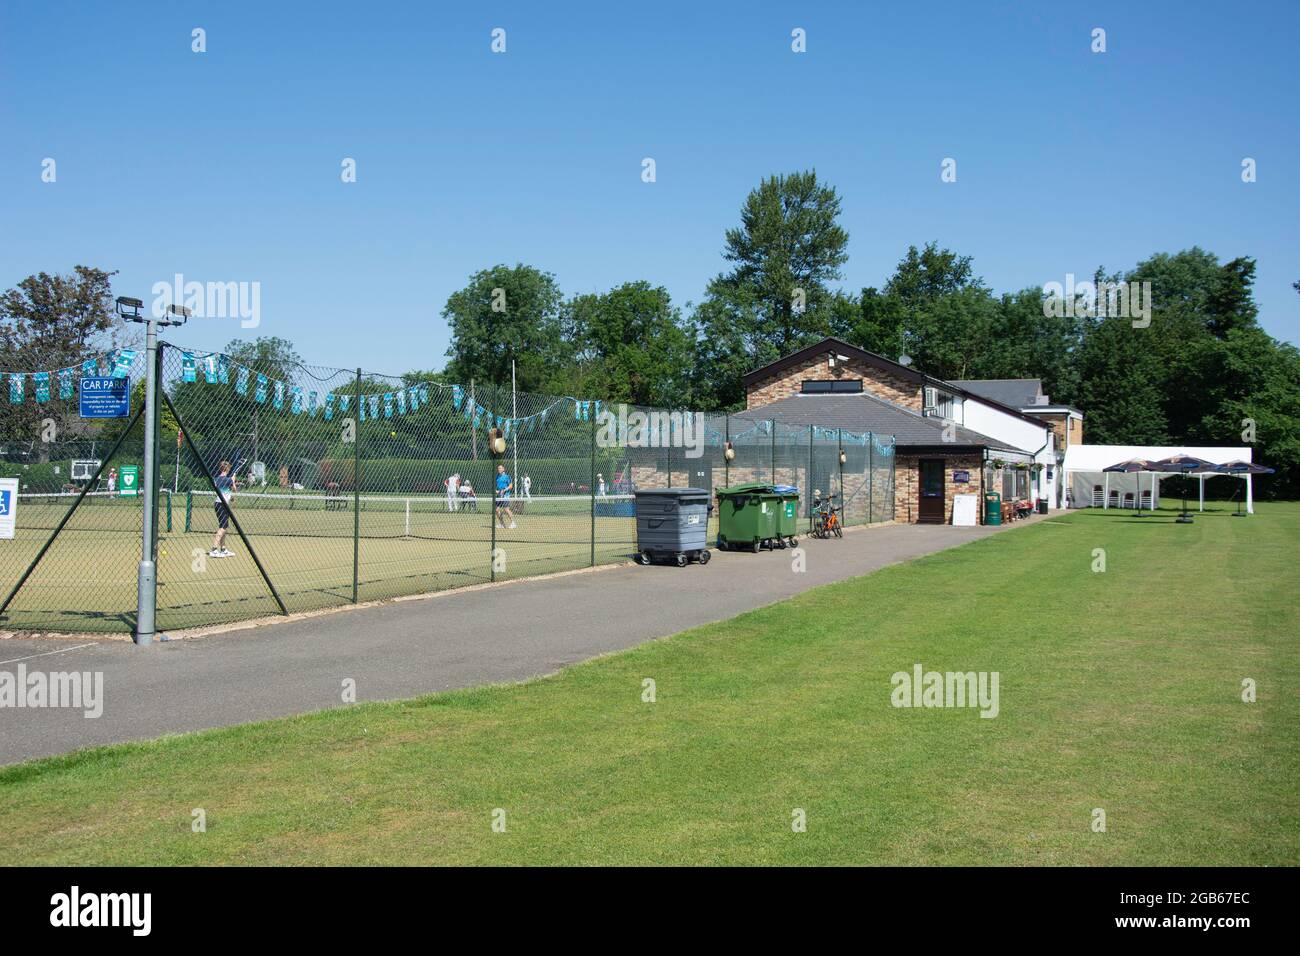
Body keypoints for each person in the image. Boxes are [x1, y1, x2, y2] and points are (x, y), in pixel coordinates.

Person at [209, 460, 237, 558]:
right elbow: (234, 489)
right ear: (227, 469)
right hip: (222, 505)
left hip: (218, 504)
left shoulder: (216, 479)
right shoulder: (229, 480)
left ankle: (223, 549)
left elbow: (224, 490)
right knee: (223, 527)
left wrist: (230, 496)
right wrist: (233, 480)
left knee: (224, 526)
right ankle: (213, 549)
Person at [495, 464, 517, 529]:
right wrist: (497, 491)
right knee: (496, 510)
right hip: (499, 496)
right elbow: (497, 487)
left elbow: (511, 486)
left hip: (506, 496)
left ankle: (513, 523)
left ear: (503, 469)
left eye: (500, 468)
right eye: (498, 468)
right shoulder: (497, 477)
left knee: (506, 509)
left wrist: (504, 490)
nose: (499, 469)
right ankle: (502, 524)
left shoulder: (507, 477)